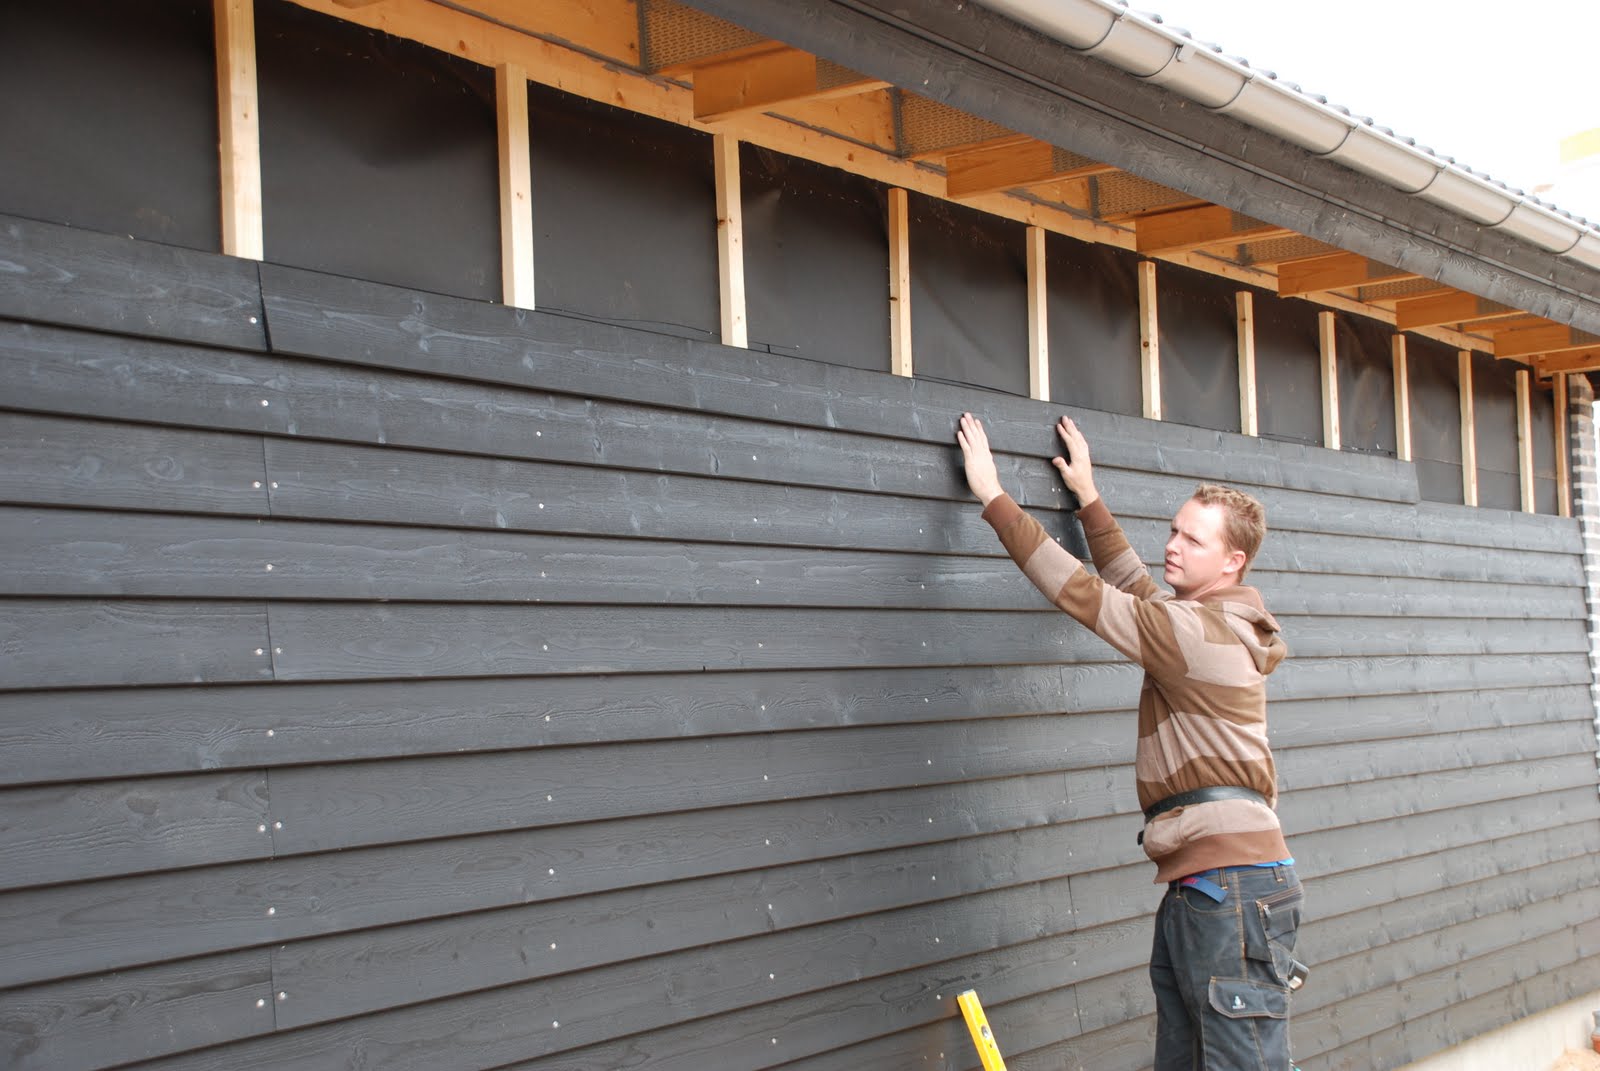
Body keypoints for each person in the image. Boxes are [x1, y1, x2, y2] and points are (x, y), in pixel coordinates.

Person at [956, 411, 1304, 1071]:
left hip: (1230, 887)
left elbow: (1087, 594)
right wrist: (1087, 498)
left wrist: (992, 497)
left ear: (1233, 561)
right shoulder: (1203, 622)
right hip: (1210, 884)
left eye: (1192, 540)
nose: (1172, 545)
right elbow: (1135, 587)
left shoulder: (1197, 635)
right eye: (1173, 529)